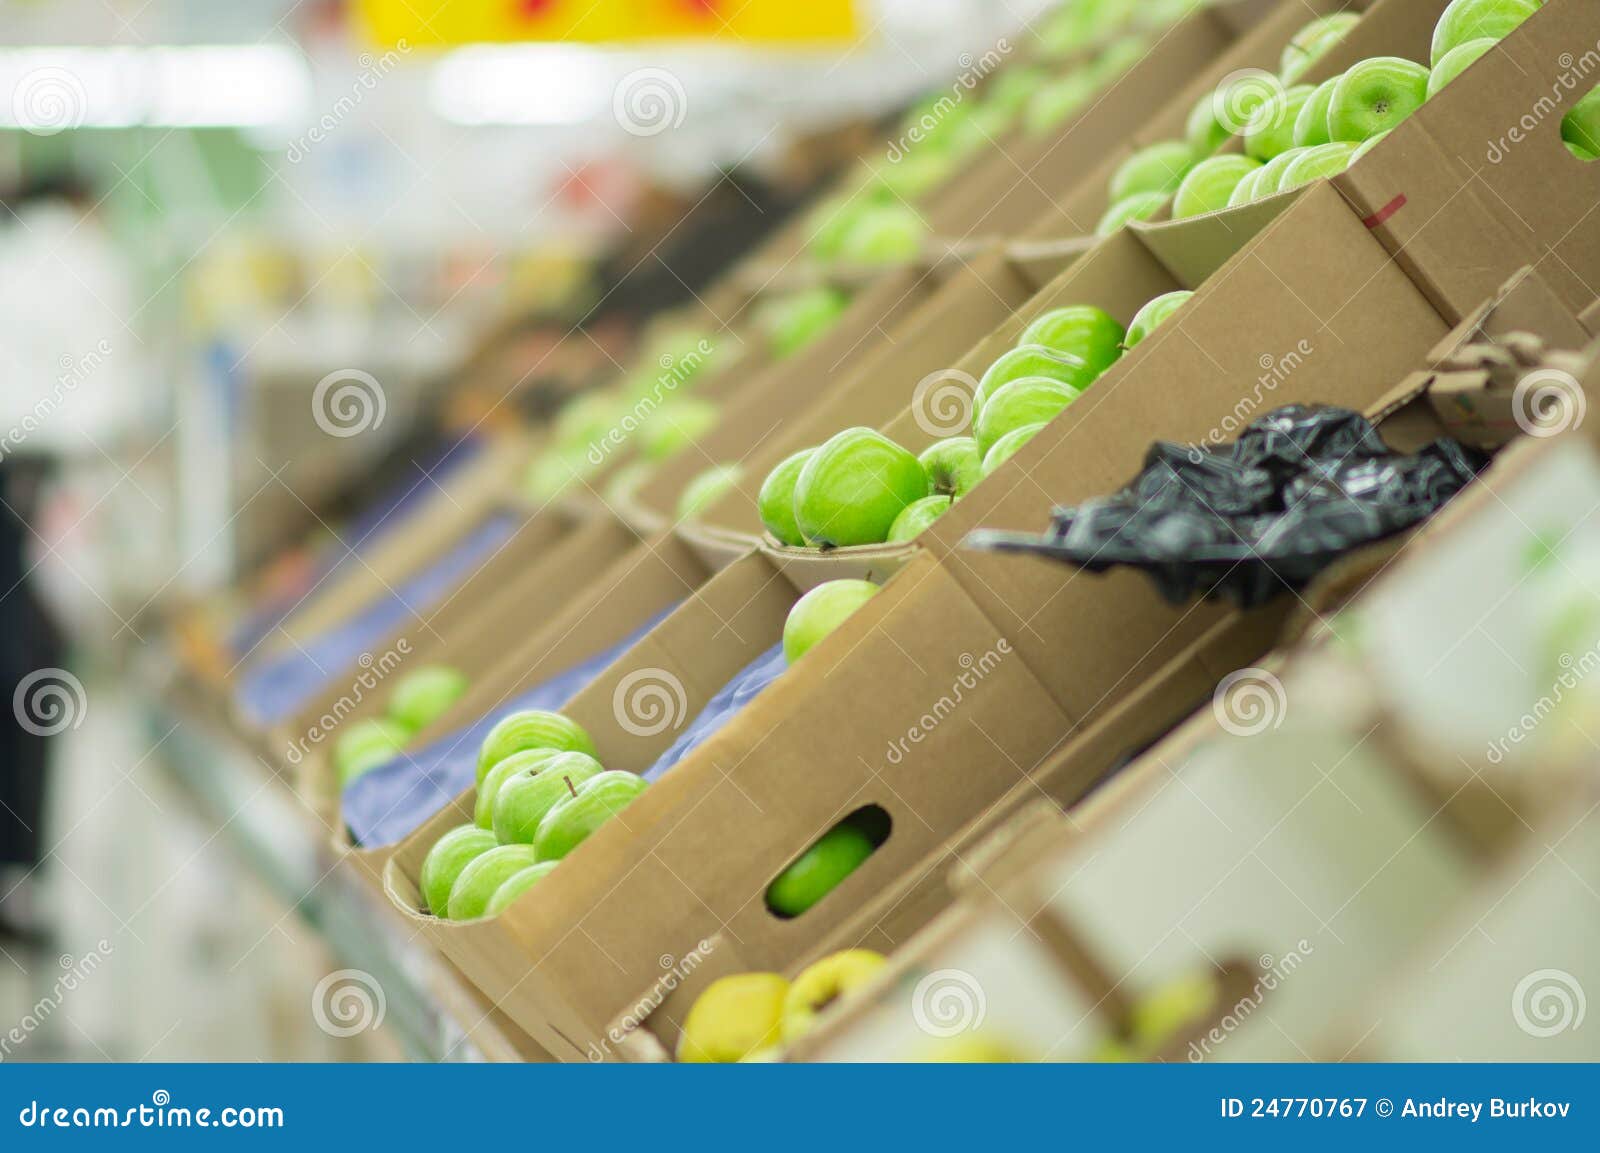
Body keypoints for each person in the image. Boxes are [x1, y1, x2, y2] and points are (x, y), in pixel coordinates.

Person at [0, 173, 137, 943]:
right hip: (31, 488)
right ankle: (19, 881)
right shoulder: (80, 257)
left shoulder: (16, 254)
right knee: (28, 680)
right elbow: (104, 401)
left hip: (24, 485)